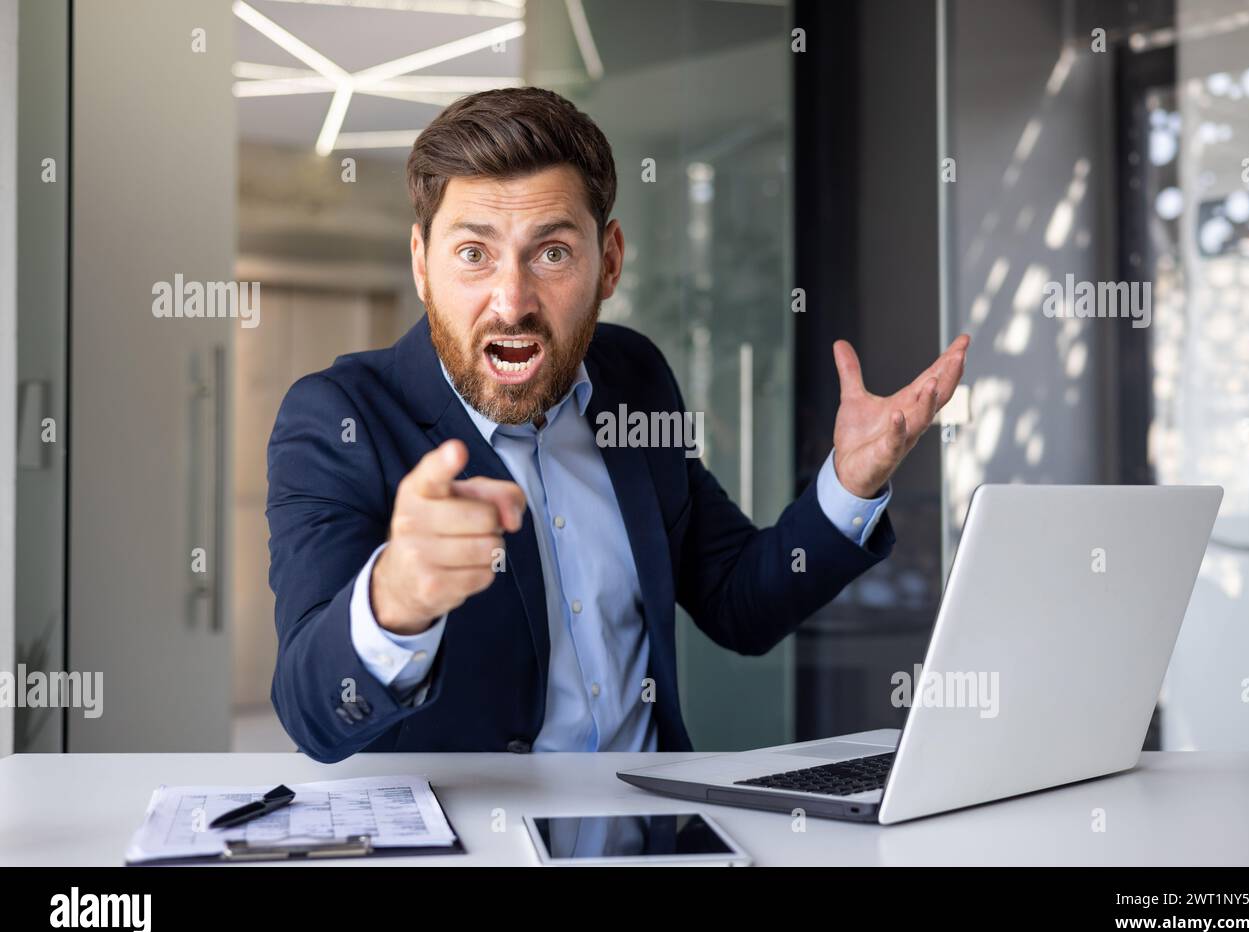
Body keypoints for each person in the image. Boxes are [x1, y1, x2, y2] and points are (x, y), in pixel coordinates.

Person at [266, 86, 969, 763]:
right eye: (473, 253)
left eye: (552, 252)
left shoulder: (634, 380)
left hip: (654, 840)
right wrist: (394, 599)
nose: (511, 301)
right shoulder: (337, 419)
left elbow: (738, 602)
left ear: (609, 262)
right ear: (421, 265)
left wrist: (848, 484)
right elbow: (312, 716)